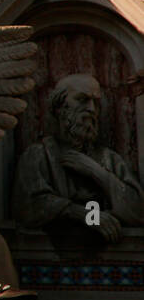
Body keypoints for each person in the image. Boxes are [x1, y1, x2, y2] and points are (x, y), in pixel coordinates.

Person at [13, 74, 144, 242]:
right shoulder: (38, 156)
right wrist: (87, 216)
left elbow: (138, 212)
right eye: (82, 100)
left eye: (95, 102)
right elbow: (28, 207)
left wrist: (97, 172)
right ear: (59, 108)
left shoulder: (109, 159)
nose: (91, 108)